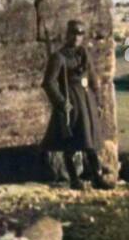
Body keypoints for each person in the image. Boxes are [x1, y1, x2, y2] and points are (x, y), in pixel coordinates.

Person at [41, 20, 107, 189]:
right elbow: (49, 83)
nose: (77, 37)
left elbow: (93, 79)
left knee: (90, 141)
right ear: (67, 34)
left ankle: (97, 176)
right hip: (71, 103)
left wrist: (98, 101)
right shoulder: (59, 57)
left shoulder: (84, 54)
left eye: (80, 34)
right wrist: (61, 102)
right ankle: (74, 179)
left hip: (87, 102)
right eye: (74, 33)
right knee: (70, 143)